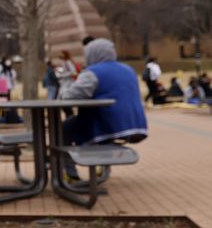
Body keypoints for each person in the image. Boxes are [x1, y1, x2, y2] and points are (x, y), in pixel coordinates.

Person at [58, 39, 147, 180]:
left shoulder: (93, 72)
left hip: (108, 124)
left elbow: (67, 97)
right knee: (90, 122)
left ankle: (69, 173)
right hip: (135, 124)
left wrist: (64, 81)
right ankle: (102, 163)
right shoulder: (129, 69)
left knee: (64, 128)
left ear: (92, 54)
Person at [0, 55, 21, 123]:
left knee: (8, 101)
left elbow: (13, 76)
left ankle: (7, 116)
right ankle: (2, 116)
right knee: (2, 101)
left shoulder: (10, 69)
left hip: (8, 86)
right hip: (2, 85)